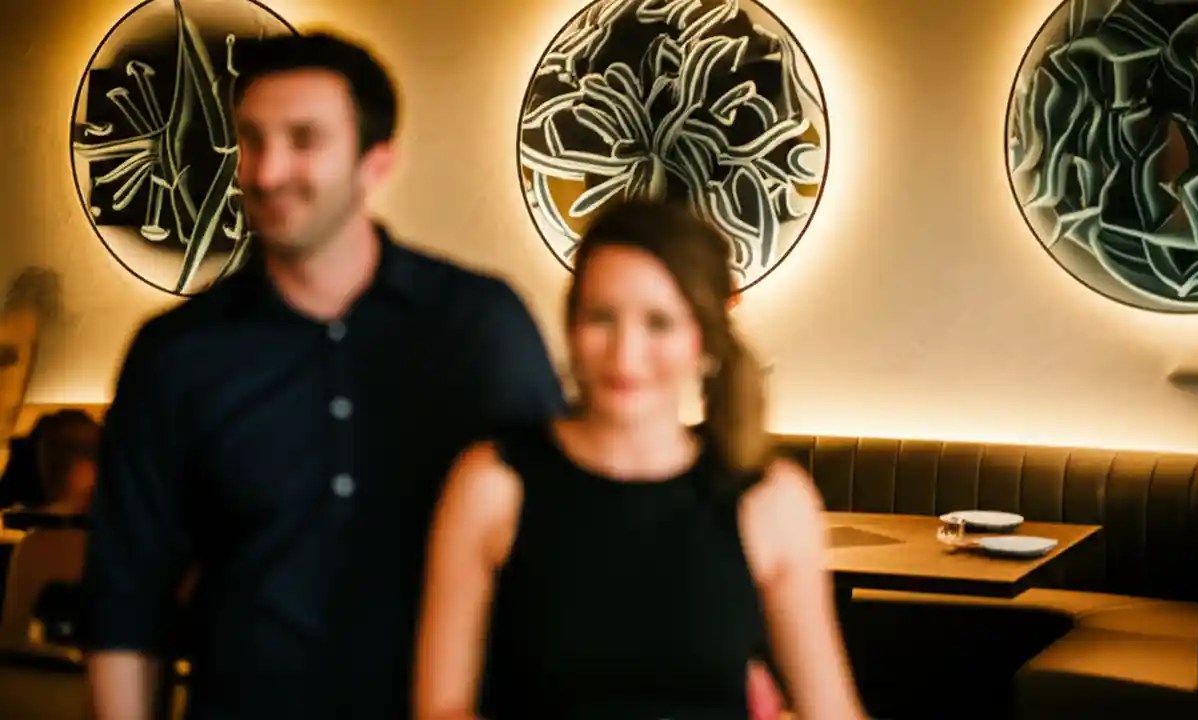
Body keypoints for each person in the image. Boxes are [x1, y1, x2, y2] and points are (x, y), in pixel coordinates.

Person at [82, 33, 564, 720]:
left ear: (376, 161)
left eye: (303, 140)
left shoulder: (480, 325)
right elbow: (127, 595)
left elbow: (556, 550)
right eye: (251, 140)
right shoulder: (176, 352)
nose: (268, 170)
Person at [415, 199, 868, 719]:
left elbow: (830, 710)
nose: (625, 354)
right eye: (601, 318)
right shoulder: (493, 483)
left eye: (658, 323)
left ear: (704, 340)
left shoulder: (771, 501)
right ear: (571, 325)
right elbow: (441, 710)